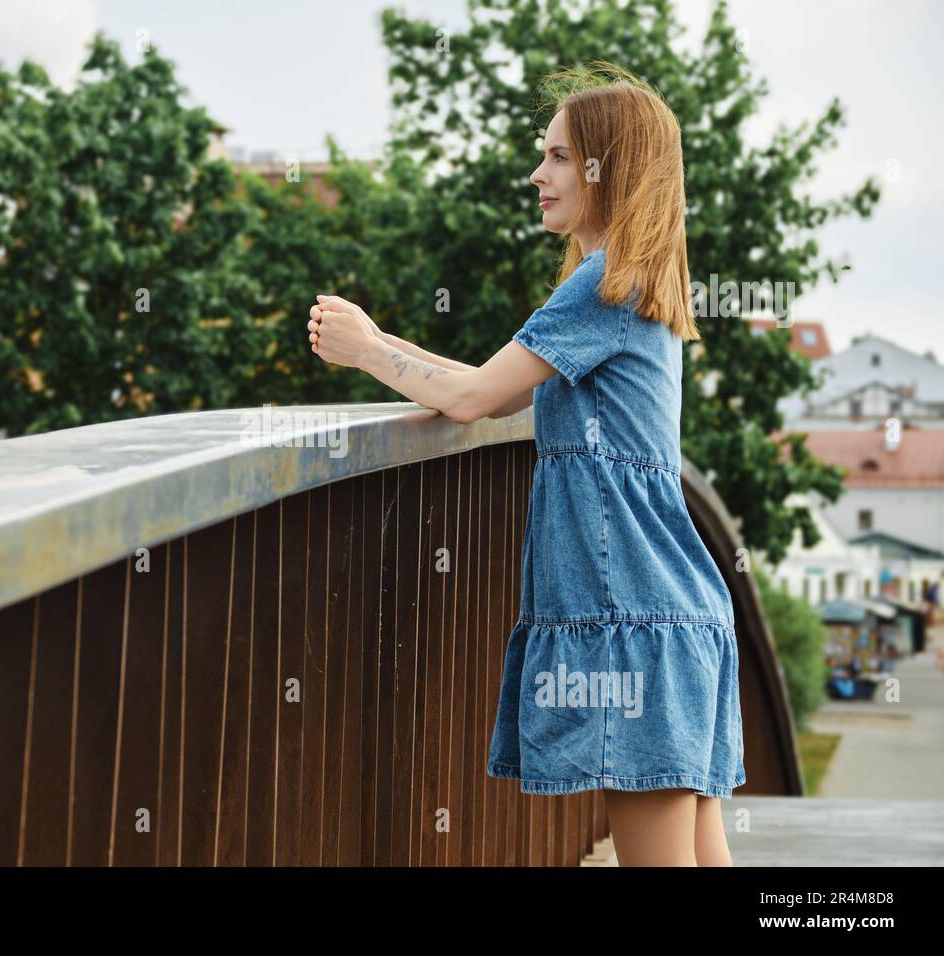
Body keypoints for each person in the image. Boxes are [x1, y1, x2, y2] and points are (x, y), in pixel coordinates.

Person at [306, 62, 744, 866]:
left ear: (610, 168)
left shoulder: (605, 282)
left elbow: (471, 400)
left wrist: (367, 351)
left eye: (560, 157)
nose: (537, 174)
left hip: (633, 622)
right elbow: (492, 391)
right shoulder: (630, 282)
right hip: (676, 616)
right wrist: (380, 345)